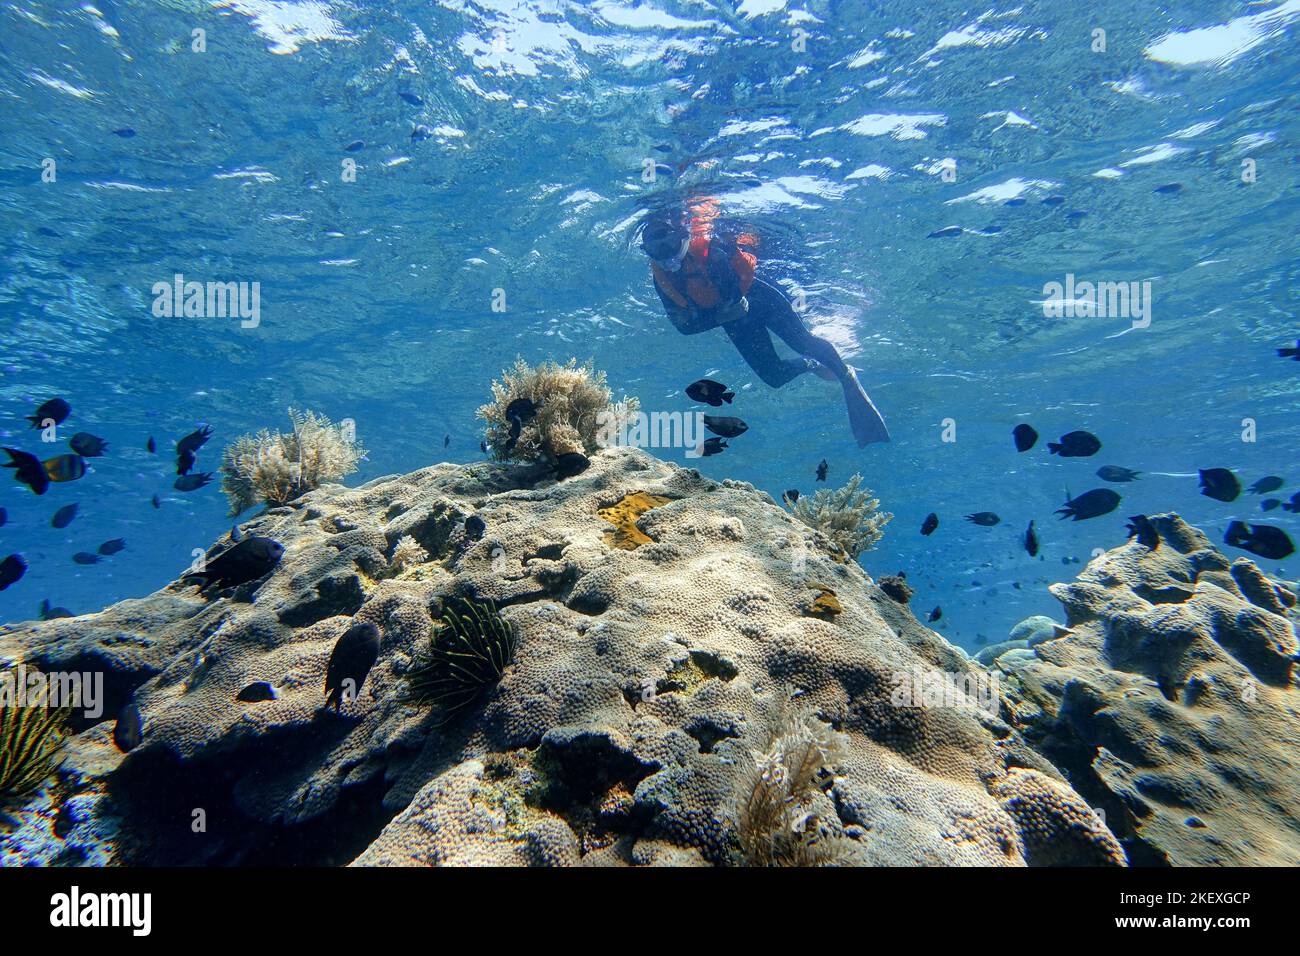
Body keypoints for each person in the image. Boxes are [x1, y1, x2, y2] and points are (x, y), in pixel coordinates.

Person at [640, 199, 889, 446]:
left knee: (804, 341)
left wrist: (729, 308)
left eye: (669, 246)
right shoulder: (663, 278)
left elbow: (740, 276)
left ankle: (846, 375)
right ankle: (812, 365)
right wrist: (721, 317)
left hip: (761, 298)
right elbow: (683, 326)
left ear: (683, 236)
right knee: (773, 376)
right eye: (657, 253)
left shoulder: (713, 246)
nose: (667, 259)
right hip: (735, 321)